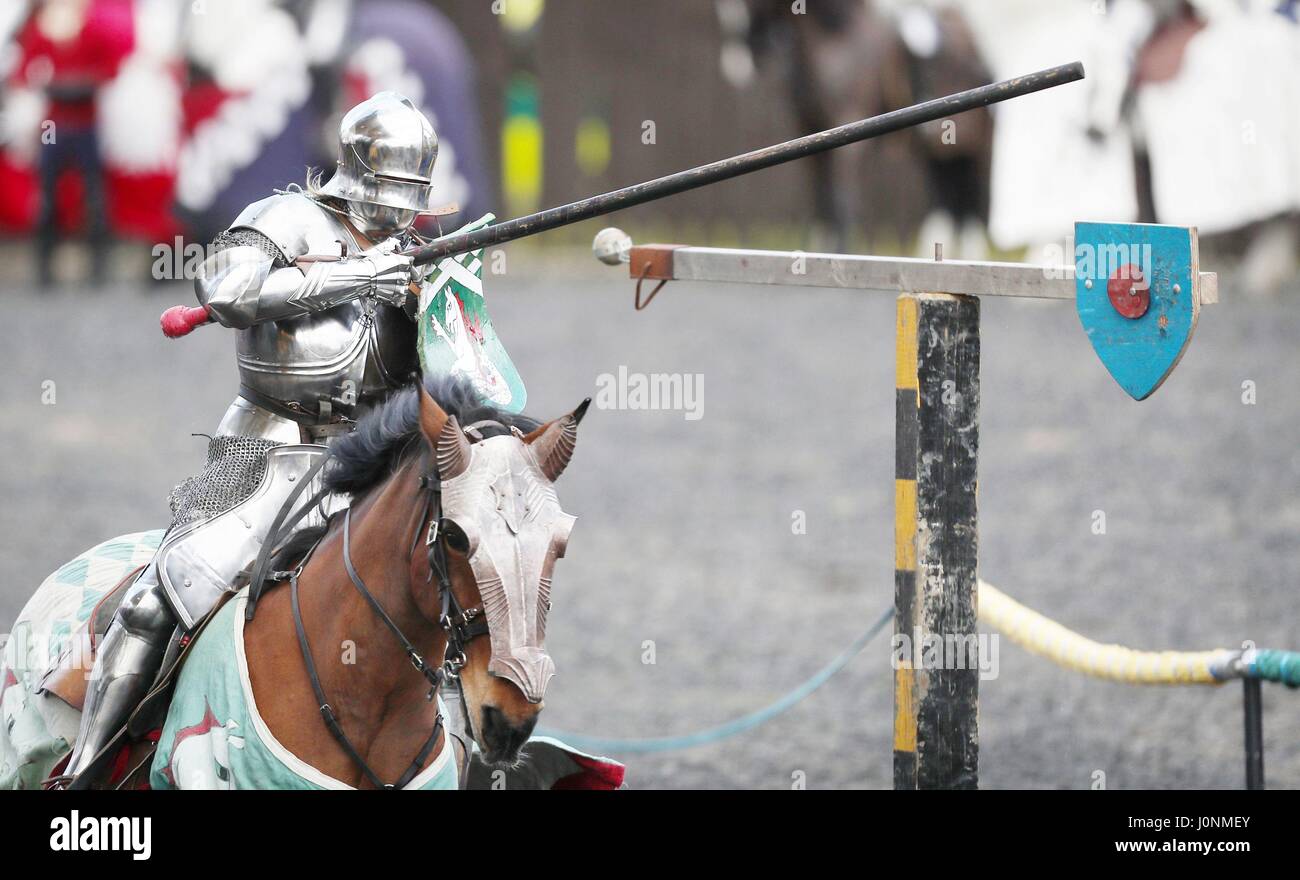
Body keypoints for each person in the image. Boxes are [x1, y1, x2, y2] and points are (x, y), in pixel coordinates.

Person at [61, 91, 442, 787]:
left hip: (374, 461)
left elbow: (448, 368)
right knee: (160, 598)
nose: (396, 211)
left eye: (409, 196)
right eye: (387, 191)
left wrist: (439, 299)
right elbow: (227, 291)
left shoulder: (416, 252)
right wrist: (359, 275)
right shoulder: (284, 216)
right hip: (263, 448)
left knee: (452, 594)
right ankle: (86, 770)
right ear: (356, 168)